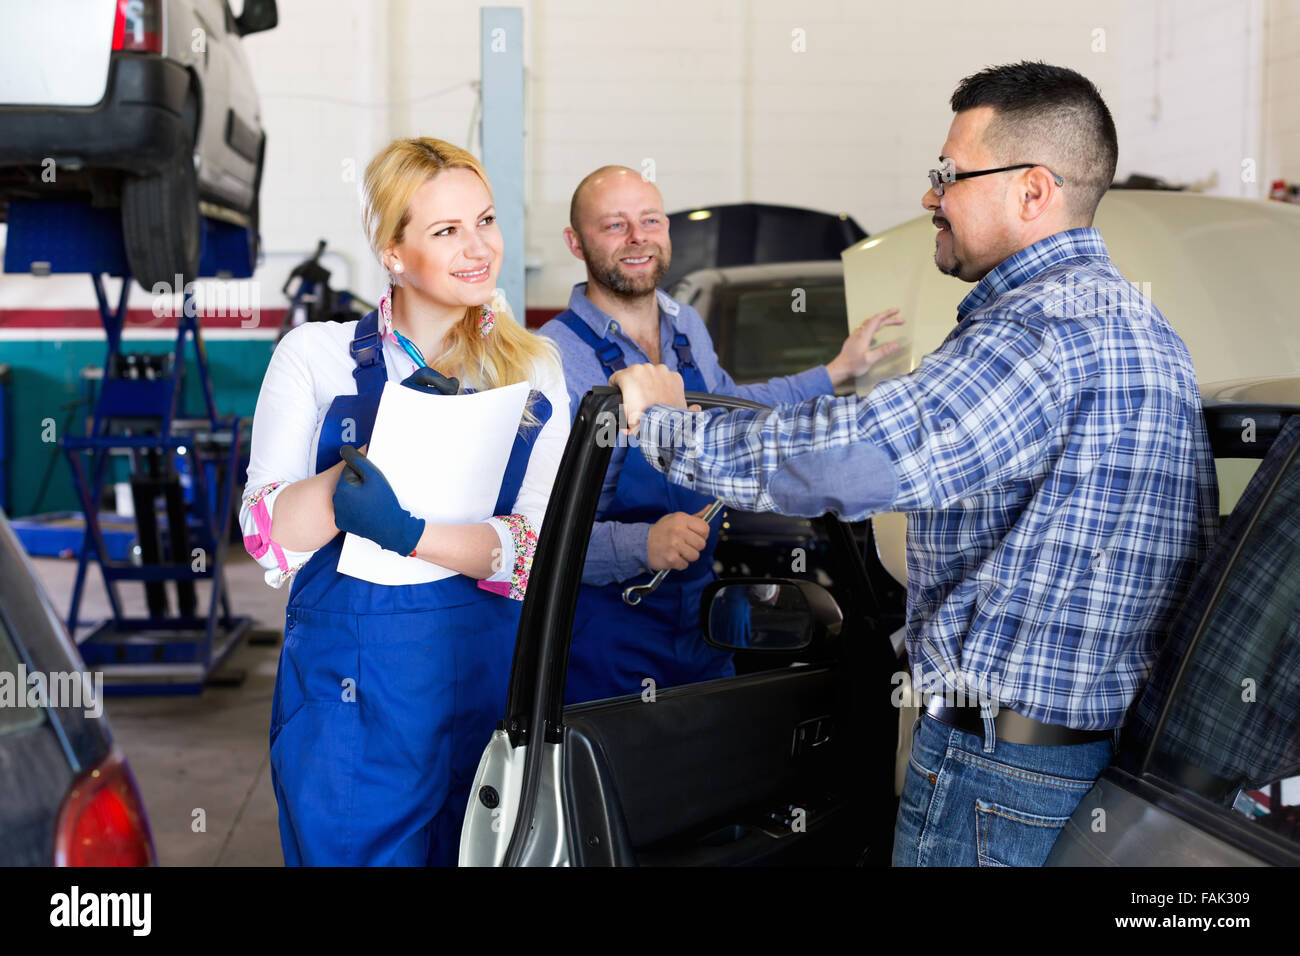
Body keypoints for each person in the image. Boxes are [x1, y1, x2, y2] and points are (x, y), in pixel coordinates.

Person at [611, 62, 1219, 867]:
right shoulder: (1144, 328)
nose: (931, 196)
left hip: (999, 777)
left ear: (1033, 190)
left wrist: (666, 426)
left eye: (948, 174)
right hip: (1090, 762)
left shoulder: (1039, 332)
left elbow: (858, 455)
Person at [238, 137, 569, 866]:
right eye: (446, 231)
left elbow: (532, 552)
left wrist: (407, 531)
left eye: (485, 221)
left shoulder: (534, 370)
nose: (477, 247)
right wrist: (336, 494)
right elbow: (264, 534)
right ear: (392, 251)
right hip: (350, 708)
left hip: (486, 690)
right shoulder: (315, 356)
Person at [538, 165, 903, 705]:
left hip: (705, 622)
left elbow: (733, 410)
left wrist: (833, 372)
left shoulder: (685, 326)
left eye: (650, 220)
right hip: (608, 636)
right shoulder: (551, 358)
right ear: (575, 241)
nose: (638, 238)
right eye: (614, 225)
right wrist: (645, 545)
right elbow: (538, 540)